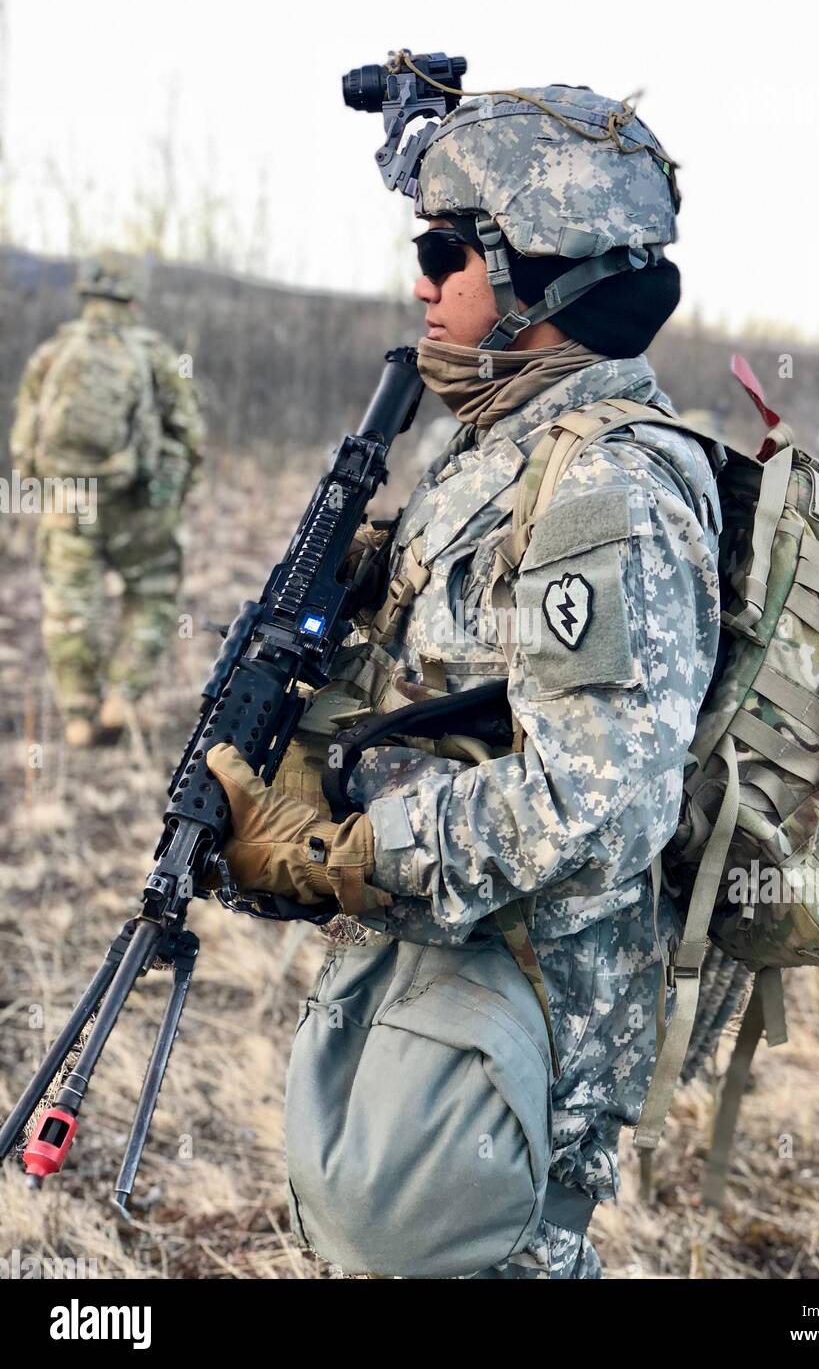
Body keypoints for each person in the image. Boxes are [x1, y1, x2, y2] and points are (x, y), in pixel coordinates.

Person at [205, 83, 722, 1278]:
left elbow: (597, 806)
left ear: (543, 281)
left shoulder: (607, 490)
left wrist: (358, 853)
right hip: (447, 965)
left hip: (525, 1004)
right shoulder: (496, 443)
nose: (423, 276)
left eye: (450, 248)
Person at [9, 249, 205, 747]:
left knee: (68, 606)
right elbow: (188, 432)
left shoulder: (52, 352)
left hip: (68, 502)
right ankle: (120, 697)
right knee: (153, 593)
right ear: (134, 296)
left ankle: (76, 716)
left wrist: (41, 490)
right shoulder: (156, 353)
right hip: (138, 505)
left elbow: (24, 439)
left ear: (85, 291)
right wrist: (173, 493)